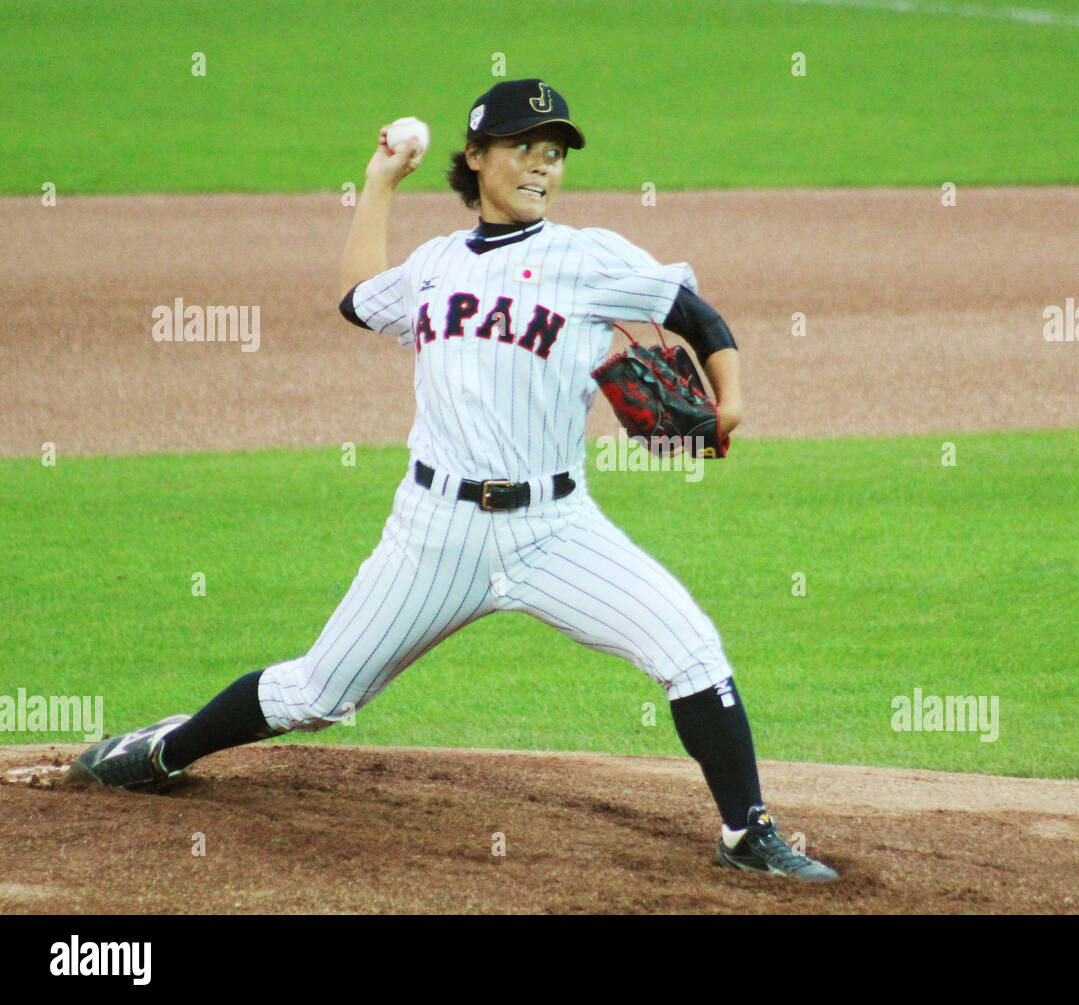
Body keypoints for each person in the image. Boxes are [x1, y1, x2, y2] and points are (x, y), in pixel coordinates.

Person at [71, 78, 837, 882]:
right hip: (433, 534)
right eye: (522, 148)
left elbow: (697, 315)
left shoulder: (588, 256)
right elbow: (357, 298)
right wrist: (378, 183)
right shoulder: (434, 266)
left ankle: (747, 832)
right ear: (475, 158)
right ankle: (162, 749)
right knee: (317, 692)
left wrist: (732, 398)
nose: (541, 165)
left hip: (555, 530)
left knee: (691, 648)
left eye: (554, 153)